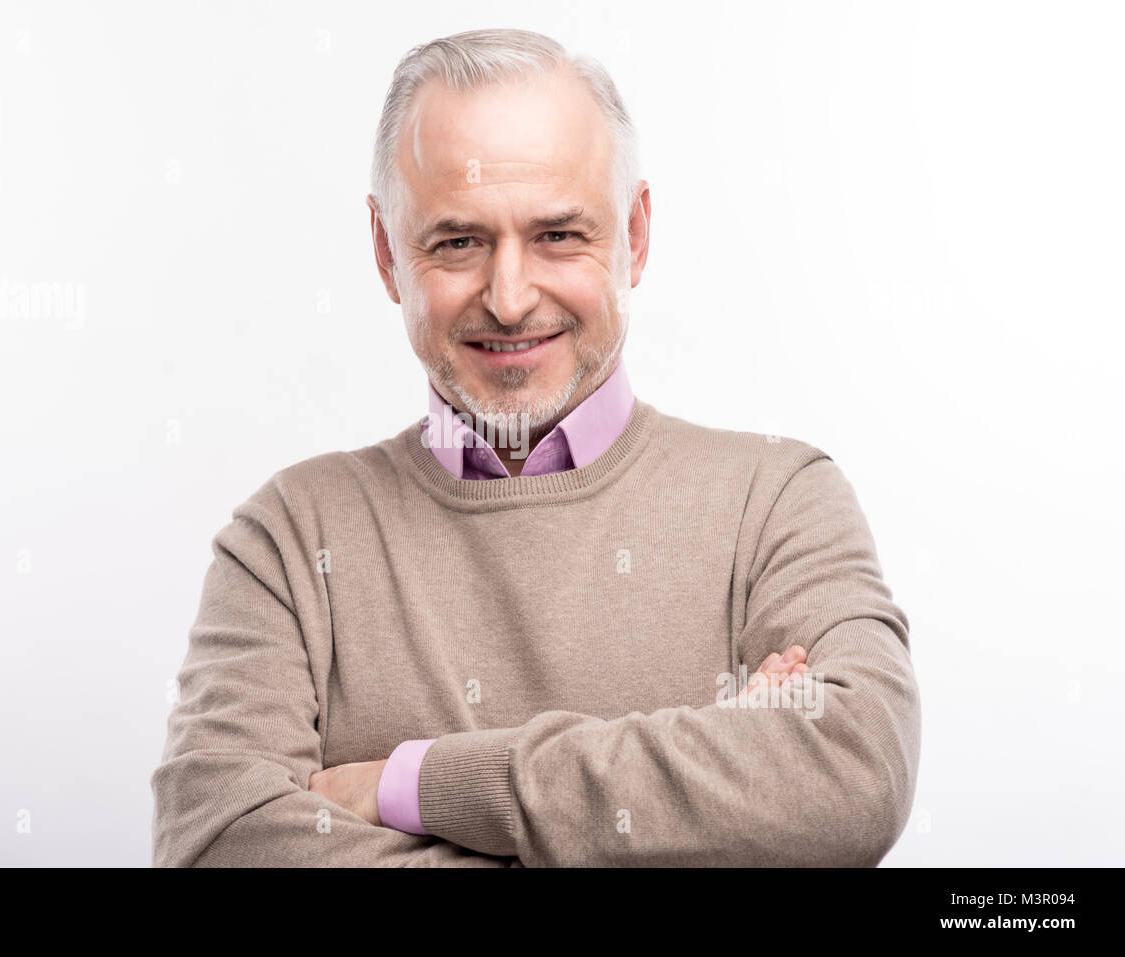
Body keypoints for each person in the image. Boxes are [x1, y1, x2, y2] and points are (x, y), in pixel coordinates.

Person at [150, 28, 920, 867]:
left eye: (557, 235)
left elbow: (853, 773)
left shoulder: (776, 502)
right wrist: (701, 812)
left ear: (635, 233)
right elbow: (217, 844)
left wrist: (411, 784)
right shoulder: (291, 539)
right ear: (385, 253)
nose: (511, 299)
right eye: (458, 242)